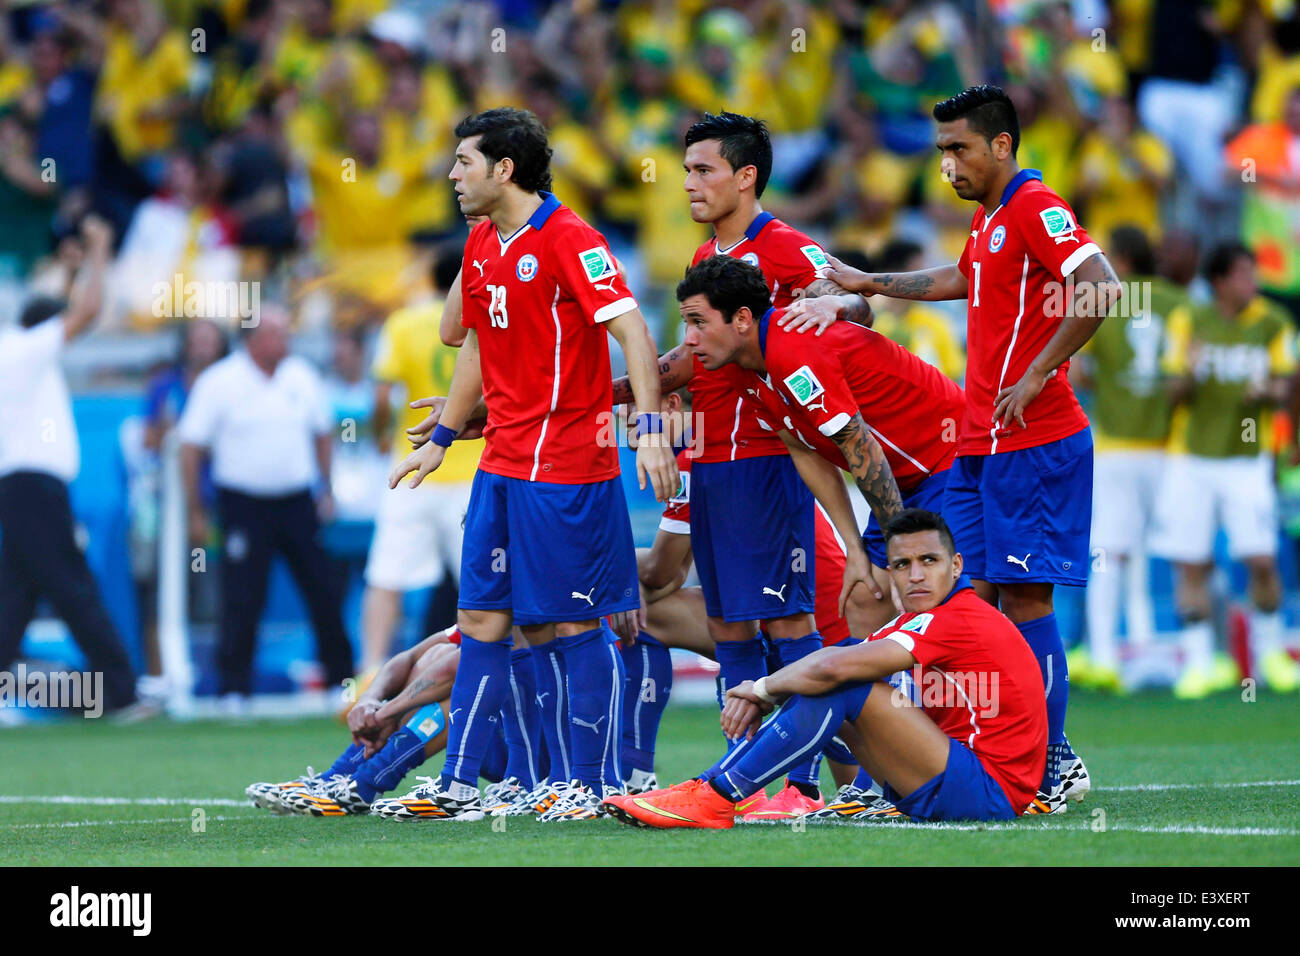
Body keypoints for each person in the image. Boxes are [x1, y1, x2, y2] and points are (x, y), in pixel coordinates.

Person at [793, 85, 1121, 812]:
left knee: (1025, 597)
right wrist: (866, 280)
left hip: (1036, 439)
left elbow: (1101, 287)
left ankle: (1050, 763)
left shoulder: (1036, 204)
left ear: (1001, 145)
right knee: (960, 599)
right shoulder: (991, 221)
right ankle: (959, 748)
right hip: (980, 445)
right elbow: (960, 279)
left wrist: (1040, 371)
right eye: (941, 151)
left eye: (958, 149)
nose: (947, 165)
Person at [388, 107, 677, 822]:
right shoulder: (486, 240)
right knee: (487, 621)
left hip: (568, 465)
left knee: (572, 627)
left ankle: (594, 780)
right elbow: (465, 335)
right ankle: (460, 782)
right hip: (503, 463)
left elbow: (633, 331)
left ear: (504, 169)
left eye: (465, 162)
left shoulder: (570, 238)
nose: (453, 175)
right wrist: (444, 436)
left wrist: (646, 427)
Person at [612, 112, 875, 820]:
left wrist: (837, 306)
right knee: (731, 628)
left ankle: (804, 786)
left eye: (704, 169)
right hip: (712, 464)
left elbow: (854, 300)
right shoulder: (707, 262)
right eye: (688, 169)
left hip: (767, 461)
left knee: (789, 627)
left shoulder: (784, 248)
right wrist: (609, 399)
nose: (691, 182)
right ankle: (752, 780)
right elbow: (684, 363)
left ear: (746, 175)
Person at [604, 510, 1048, 828]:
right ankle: (715, 789)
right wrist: (766, 688)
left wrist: (761, 689)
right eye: (902, 565)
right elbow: (835, 657)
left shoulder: (958, 616)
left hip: (986, 791)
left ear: (955, 566)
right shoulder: (924, 617)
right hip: (960, 779)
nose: (915, 575)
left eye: (928, 562)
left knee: (843, 684)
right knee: (837, 670)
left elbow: (837, 670)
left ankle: (717, 796)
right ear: (890, 573)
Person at [0, 216, 150, 719]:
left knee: (15, 595)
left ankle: (102, 692)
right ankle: (122, 692)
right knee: (72, 586)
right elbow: (86, 311)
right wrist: (100, 248)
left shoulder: (20, 355)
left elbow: (63, 311)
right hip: (33, 487)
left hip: (21, 488)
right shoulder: (21, 350)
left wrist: (69, 270)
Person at [177, 305, 354, 711]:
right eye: (278, 333)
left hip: (296, 501)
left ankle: (339, 681)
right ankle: (234, 688)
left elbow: (323, 434)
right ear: (254, 340)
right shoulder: (219, 382)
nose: (286, 340)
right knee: (242, 596)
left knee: (322, 589)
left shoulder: (302, 376)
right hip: (243, 503)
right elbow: (191, 447)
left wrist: (325, 488)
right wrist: (196, 511)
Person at [1151, 242, 1300, 697]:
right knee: (1191, 562)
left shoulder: (1272, 322)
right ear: (1218, 282)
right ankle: (1198, 662)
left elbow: (1287, 382)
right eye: (1242, 275)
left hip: (1246, 458)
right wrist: (1190, 374)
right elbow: (1170, 391)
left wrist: (1269, 391)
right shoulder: (1189, 320)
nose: (1251, 283)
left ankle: (1270, 653)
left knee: (1260, 557)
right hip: (1190, 458)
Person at [1072, 225, 1185, 692]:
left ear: (1118, 256)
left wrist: (1112, 388)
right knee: (1154, 550)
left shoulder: (1103, 296)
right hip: (1168, 446)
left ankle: (1102, 655)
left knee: (1109, 552)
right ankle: (1149, 647)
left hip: (1117, 444)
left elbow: (1077, 367)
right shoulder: (1179, 302)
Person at [359, 249, 482, 675]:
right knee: (481, 581)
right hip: (473, 469)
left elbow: (380, 394)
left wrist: (380, 437)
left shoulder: (403, 323)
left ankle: (370, 670)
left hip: (413, 468)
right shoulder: (487, 315)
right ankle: (483, 664)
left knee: (386, 577)